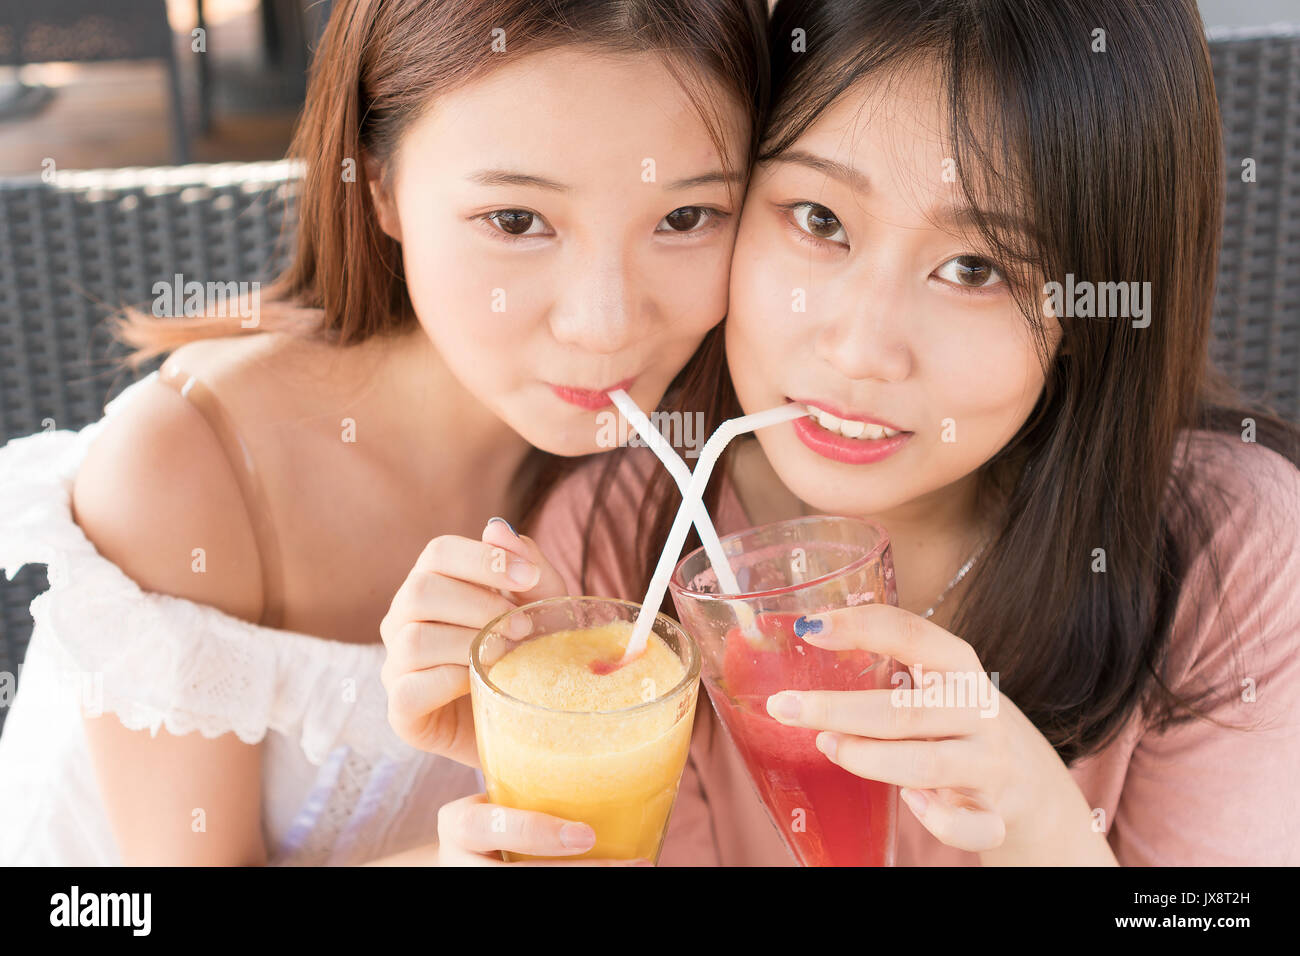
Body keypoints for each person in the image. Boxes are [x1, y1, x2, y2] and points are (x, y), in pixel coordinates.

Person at [395, 0, 1300, 864]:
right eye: (819, 220)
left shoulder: (1233, 557)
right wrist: (558, 815)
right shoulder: (615, 562)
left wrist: (1046, 831)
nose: (862, 350)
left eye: (976, 267)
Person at [0, 0, 769, 865]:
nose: (606, 324)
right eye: (516, 221)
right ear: (380, 186)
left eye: (685, 218)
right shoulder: (186, 470)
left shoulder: (693, 462)